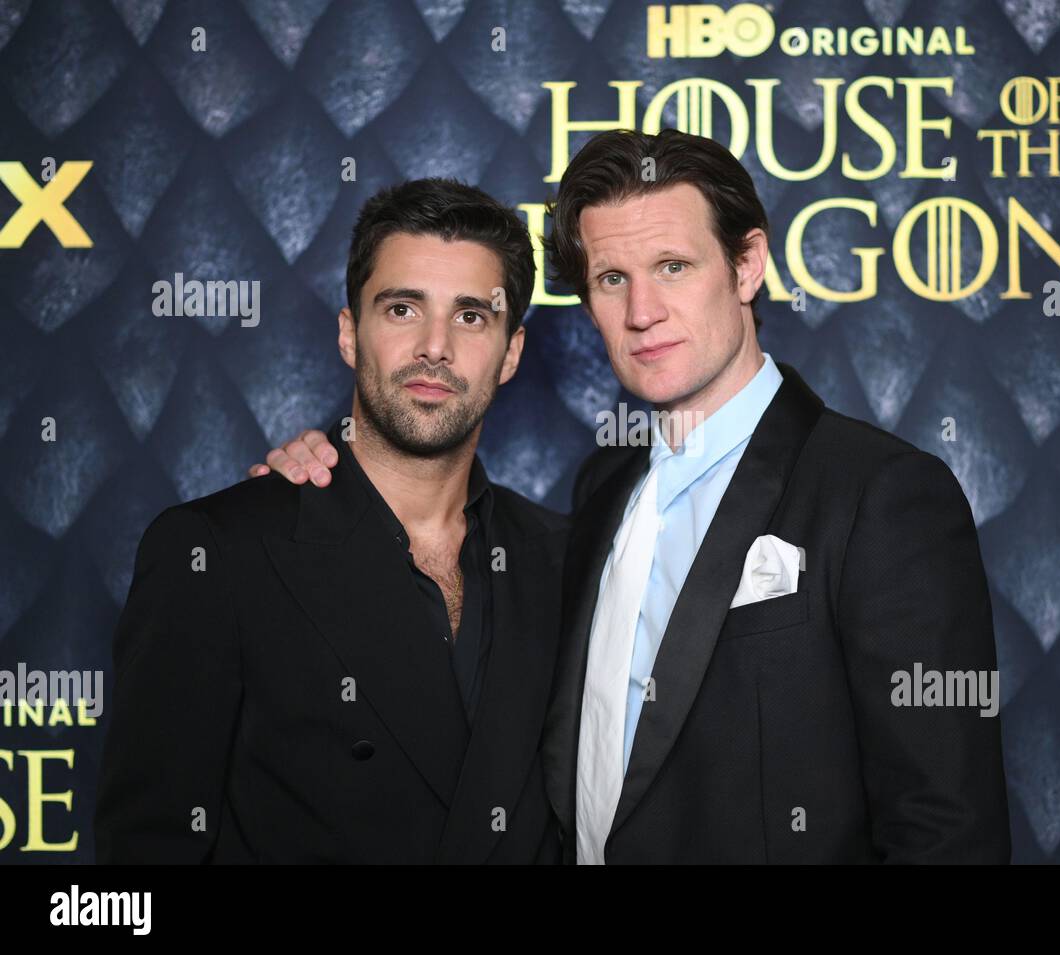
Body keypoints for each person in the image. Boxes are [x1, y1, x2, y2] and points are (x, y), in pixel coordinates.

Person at [253, 129, 1012, 864]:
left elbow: (945, 831)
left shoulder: (879, 493)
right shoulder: (600, 495)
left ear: (747, 266)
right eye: (613, 279)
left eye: (674, 266)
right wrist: (331, 475)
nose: (642, 310)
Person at [95, 178, 567, 863]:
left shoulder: (567, 562)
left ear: (512, 352)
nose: (435, 346)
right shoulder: (220, 554)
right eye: (403, 308)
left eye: (471, 316)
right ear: (350, 333)